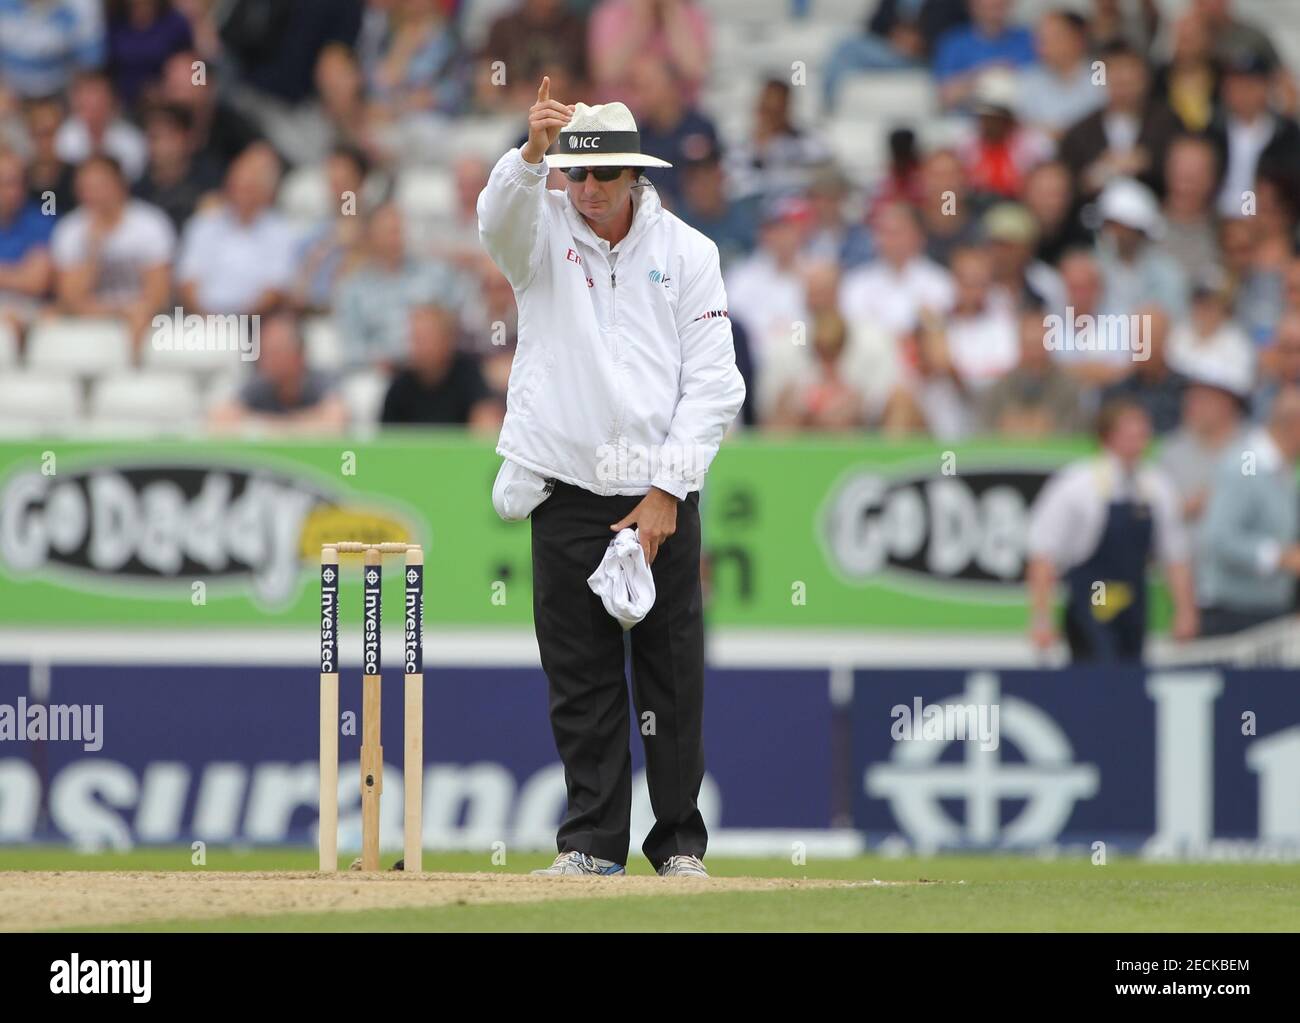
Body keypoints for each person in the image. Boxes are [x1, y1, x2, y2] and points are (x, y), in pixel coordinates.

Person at [477, 77, 745, 878]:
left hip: (657, 493)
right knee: (581, 677)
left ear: (636, 175)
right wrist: (529, 153)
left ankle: (679, 847)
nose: (586, 189)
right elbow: (496, 220)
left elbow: (715, 382)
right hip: (565, 484)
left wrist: (667, 489)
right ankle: (592, 844)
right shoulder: (541, 230)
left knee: (669, 676)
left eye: (602, 175)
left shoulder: (689, 253)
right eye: (574, 173)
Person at [1026, 399, 1197, 662]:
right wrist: (1041, 618)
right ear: (1107, 436)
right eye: (1129, 434)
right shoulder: (1076, 485)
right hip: (1092, 597)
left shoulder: (1156, 486)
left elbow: (1175, 556)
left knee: (1132, 674)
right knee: (1097, 669)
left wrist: (1185, 610)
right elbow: (1043, 553)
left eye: (1142, 433)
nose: (1137, 441)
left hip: (1134, 603)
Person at [1197, 388, 1300, 635]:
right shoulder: (1246, 464)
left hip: (1268, 610)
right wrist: (1280, 557)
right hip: (1233, 615)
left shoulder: (1283, 469)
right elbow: (1219, 538)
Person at [208, 311, 348, 434]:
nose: (266, 360)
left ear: (299, 355)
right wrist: (300, 424)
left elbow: (335, 421)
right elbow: (221, 418)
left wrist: (266, 425)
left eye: (276, 352)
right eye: (264, 352)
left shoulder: (320, 381)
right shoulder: (260, 384)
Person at [379, 304, 502, 431]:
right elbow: (387, 437)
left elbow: (488, 425)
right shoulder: (400, 387)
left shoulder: (469, 374)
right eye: (415, 338)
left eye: (426, 339)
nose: (419, 347)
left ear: (447, 339)